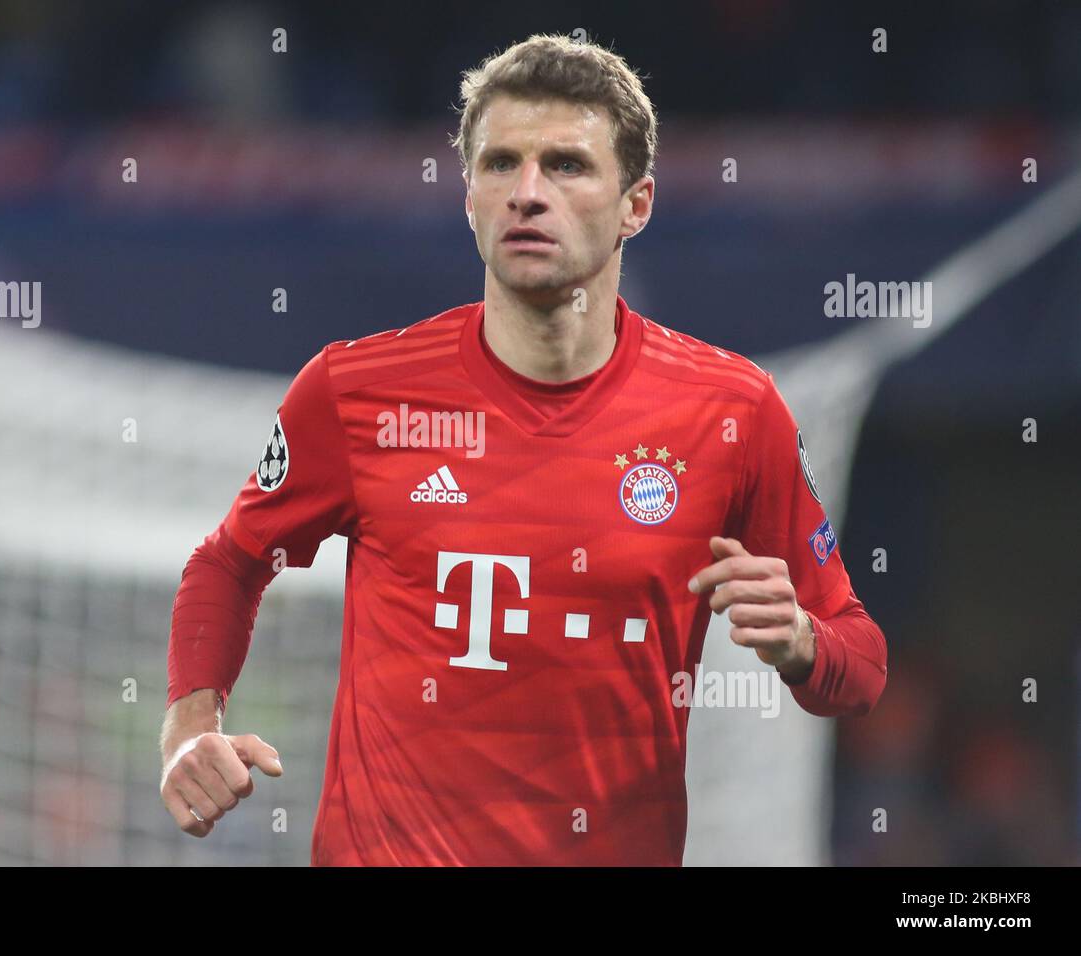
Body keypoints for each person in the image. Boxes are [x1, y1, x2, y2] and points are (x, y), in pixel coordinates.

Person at [159, 32, 887, 865]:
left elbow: (860, 664)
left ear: (636, 205)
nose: (527, 193)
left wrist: (799, 642)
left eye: (567, 166)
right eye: (500, 164)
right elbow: (230, 560)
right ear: (468, 195)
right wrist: (189, 724)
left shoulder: (731, 412)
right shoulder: (355, 392)